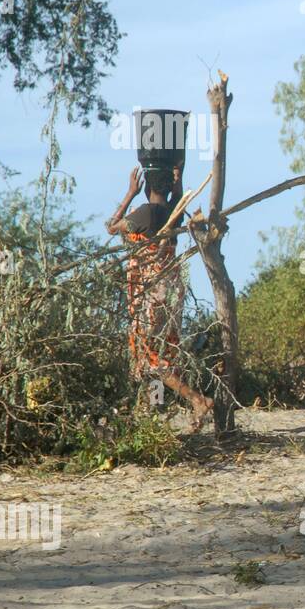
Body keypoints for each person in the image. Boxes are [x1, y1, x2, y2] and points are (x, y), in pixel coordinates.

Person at [106, 165, 212, 428]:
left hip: (151, 292)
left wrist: (130, 193)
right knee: (159, 350)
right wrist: (178, 182)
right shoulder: (173, 211)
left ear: (147, 187)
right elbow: (177, 194)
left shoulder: (147, 212)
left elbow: (111, 227)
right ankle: (155, 409)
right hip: (170, 289)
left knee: (151, 358)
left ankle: (197, 399)